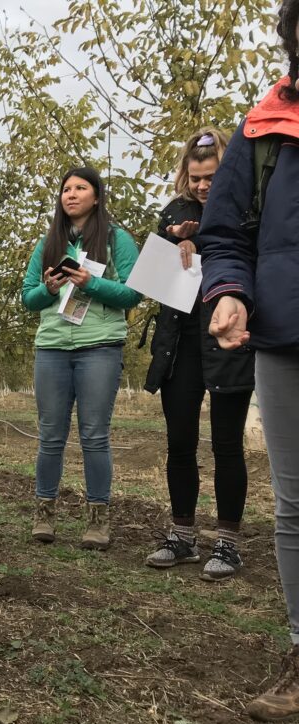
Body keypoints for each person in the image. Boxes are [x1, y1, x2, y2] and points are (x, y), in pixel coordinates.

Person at [201, 0, 299, 720]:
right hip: (286, 336)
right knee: (295, 508)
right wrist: (230, 292)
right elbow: (227, 232)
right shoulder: (262, 131)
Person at [143, 128, 254, 580]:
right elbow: (158, 280)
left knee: (227, 444)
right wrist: (174, 242)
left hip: (227, 337)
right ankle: (183, 535)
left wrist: (203, 241)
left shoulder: (246, 212)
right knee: (180, 442)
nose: (203, 185)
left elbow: (248, 261)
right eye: (195, 178)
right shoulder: (172, 212)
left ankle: (227, 543)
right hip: (181, 339)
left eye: (210, 176)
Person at [21, 167, 141, 550]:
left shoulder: (116, 239)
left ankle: (97, 520)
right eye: (66, 188)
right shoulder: (49, 243)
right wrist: (48, 287)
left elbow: (133, 294)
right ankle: (44, 514)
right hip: (53, 347)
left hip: (100, 346)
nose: (71, 194)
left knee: (94, 435)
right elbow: (28, 298)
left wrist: (93, 284)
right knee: (51, 434)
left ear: (97, 196)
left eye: (80, 187)